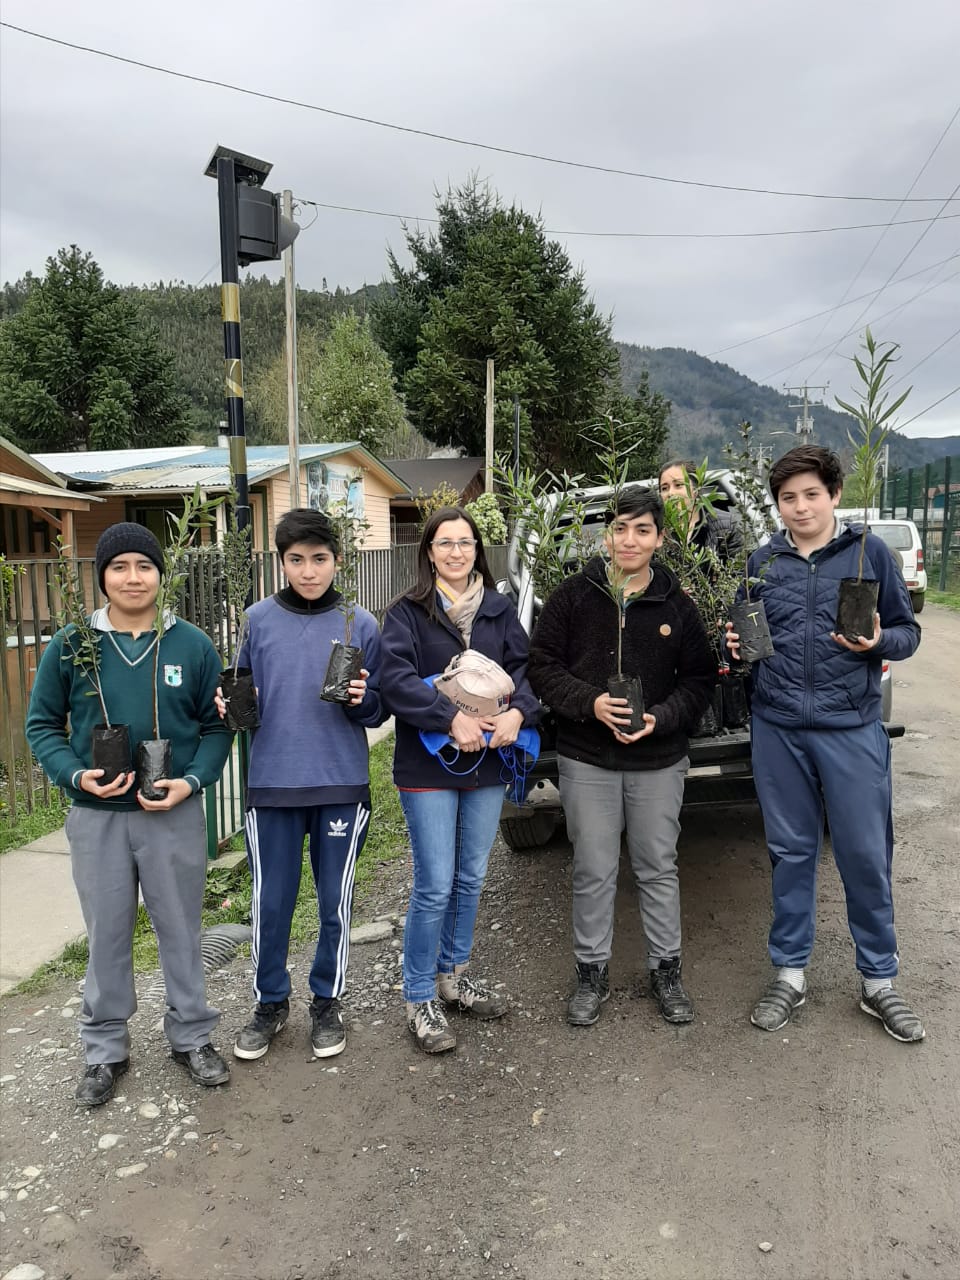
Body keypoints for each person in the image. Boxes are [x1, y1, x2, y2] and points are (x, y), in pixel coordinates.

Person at [26, 522, 234, 1106]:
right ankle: (104, 1049)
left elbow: (217, 726)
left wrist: (191, 781)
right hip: (98, 817)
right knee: (106, 933)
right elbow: (42, 725)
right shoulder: (73, 645)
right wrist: (75, 774)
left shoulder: (191, 644)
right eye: (119, 567)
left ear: (160, 575)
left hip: (172, 813)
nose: (133, 577)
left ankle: (192, 1036)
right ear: (103, 577)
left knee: (181, 928)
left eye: (144, 566)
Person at [726, 445, 924, 1042]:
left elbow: (908, 633)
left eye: (812, 494)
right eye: (788, 497)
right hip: (778, 728)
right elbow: (745, 638)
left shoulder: (871, 553)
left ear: (834, 495)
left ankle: (879, 981)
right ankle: (789, 973)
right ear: (777, 505)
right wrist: (733, 648)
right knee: (790, 853)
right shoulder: (762, 560)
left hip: (852, 728)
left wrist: (878, 642)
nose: (801, 507)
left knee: (864, 853)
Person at [527, 486, 715, 1028]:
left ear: (660, 538)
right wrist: (589, 703)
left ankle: (666, 970)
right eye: (619, 528)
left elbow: (699, 679)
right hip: (588, 758)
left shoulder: (677, 605)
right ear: (605, 535)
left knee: (658, 866)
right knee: (593, 867)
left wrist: (661, 716)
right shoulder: (573, 596)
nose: (629, 540)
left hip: (658, 759)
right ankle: (590, 972)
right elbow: (542, 666)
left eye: (642, 530)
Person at [227, 509, 385, 1063]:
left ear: (337, 560)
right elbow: (239, 695)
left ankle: (326, 1001)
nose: (309, 570)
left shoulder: (360, 624)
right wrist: (231, 705)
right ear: (282, 562)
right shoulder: (257, 620)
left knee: (334, 902)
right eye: (296, 560)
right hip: (272, 785)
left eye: (319, 559)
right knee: (271, 902)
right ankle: (270, 1001)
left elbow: (380, 706)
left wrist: (365, 701)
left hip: (340, 783)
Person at [380, 506, 540, 1054]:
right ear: (429, 552)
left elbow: (526, 672)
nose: (456, 552)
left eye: (465, 542)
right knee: (435, 882)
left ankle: (454, 975)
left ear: (477, 550)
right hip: (427, 766)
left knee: (471, 876)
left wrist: (518, 713)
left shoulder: (498, 609)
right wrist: (450, 718)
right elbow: (395, 680)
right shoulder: (406, 612)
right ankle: (419, 995)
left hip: (489, 762)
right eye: (444, 543)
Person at [658, 458, 744, 564]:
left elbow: (738, 569)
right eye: (664, 488)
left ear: (696, 489)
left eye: (678, 485)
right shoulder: (656, 529)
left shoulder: (725, 525)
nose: (670, 493)